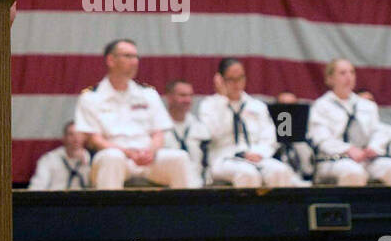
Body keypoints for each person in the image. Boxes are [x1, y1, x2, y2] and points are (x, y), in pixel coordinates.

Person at [73, 39, 198, 189]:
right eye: (128, 56)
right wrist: (128, 153)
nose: (135, 62)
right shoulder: (91, 97)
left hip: (147, 157)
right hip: (115, 157)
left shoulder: (148, 93)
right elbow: (94, 139)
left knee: (179, 158)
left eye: (136, 57)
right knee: (112, 158)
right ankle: (109, 212)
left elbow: (159, 133)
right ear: (111, 60)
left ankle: (186, 212)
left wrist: (150, 152)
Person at [308, 59, 391, 186]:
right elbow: (321, 139)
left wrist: (373, 147)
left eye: (352, 72)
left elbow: (377, 130)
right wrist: (348, 149)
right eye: (342, 73)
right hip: (334, 160)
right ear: (330, 79)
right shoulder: (321, 106)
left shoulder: (367, 105)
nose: (348, 77)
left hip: (365, 158)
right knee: (352, 171)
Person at [199, 59, 298, 187]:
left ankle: (275, 207)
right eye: (231, 79)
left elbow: (269, 137)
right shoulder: (209, 105)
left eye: (240, 78)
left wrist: (259, 153)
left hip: (255, 155)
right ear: (221, 80)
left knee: (281, 171)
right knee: (248, 174)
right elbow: (212, 134)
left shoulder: (256, 106)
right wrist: (223, 100)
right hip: (224, 158)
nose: (237, 84)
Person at [163, 79, 211, 185]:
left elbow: (206, 164)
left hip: (197, 185)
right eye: (183, 95)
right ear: (169, 98)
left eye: (190, 95)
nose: (188, 100)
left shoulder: (200, 127)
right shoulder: (159, 128)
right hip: (167, 186)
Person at [27, 122, 93, 190]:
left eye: (79, 134)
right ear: (64, 138)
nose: (76, 139)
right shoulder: (49, 159)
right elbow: (38, 186)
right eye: (71, 134)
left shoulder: (92, 160)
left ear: (85, 137)